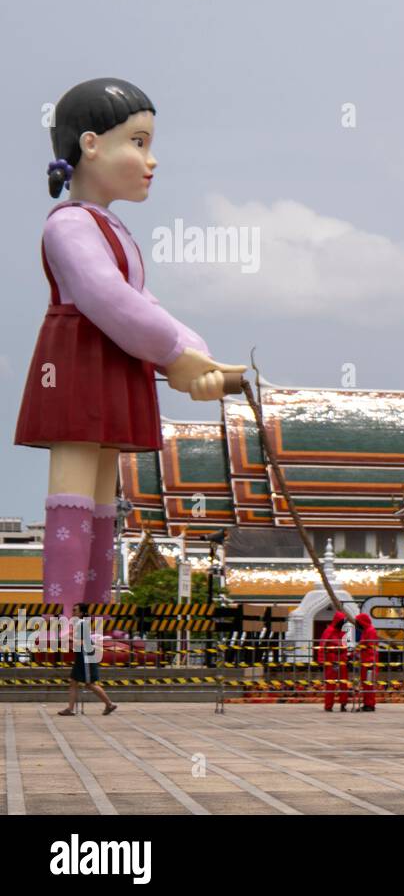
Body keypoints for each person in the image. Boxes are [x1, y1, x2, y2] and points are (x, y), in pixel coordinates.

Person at [14, 79, 245, 612]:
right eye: (138, 142)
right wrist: (177, 356)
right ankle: (63, 620)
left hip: (109, 358)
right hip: (79, 359)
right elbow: (108, 298)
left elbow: (145, 302)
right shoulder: (69, 226)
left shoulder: (109, 226)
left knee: (99, 497)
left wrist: (196, 353)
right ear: (91, 145)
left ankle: (87, 622)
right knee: (74, 485)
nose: (151, 159)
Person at [57, 603, 116, 716]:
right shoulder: (79, 624)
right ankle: (70, 709)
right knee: (74, 682)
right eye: (73, 610)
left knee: (89, 683)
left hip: (85, 656)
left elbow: (83, 641)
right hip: (81, 656)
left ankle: (109, 704)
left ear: (81, 613)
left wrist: (68, 638)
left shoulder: (82, 624)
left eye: (75, 610)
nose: (73, 612)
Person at [318, 610, 350, 712]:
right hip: (331, 660)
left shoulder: (342, 633)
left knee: (344, 684)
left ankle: (343, 704)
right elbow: (322, 646)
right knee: (330, 684)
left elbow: (345, 647)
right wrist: (321, 660)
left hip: (341, 660)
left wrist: (346, 659)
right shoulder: (329, 631)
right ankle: (328, 706)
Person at [354, 613, 380, 712]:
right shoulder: (367, 631)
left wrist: (369, 662)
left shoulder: (370, 631)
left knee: (369, 685)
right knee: (366, 684)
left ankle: (369, 704)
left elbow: (371, 648)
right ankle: (367, 704)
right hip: (365, 662)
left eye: (358, 622)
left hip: (369, 663)